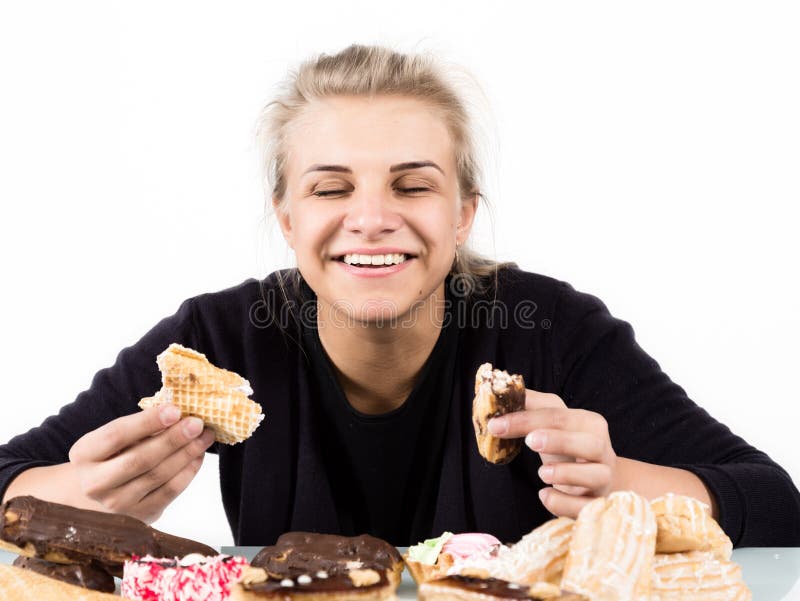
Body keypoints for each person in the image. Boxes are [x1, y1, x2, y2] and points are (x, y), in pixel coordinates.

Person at [1, 44, 798, 547]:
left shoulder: (550, 328)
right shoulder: (225, 337)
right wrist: (87, 494)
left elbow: (777, 505)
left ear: (461, 215)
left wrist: (617, 479)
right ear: (286, 217)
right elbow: (10, 478)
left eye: (413, 185)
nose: (373, 219)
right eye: (330, 187)